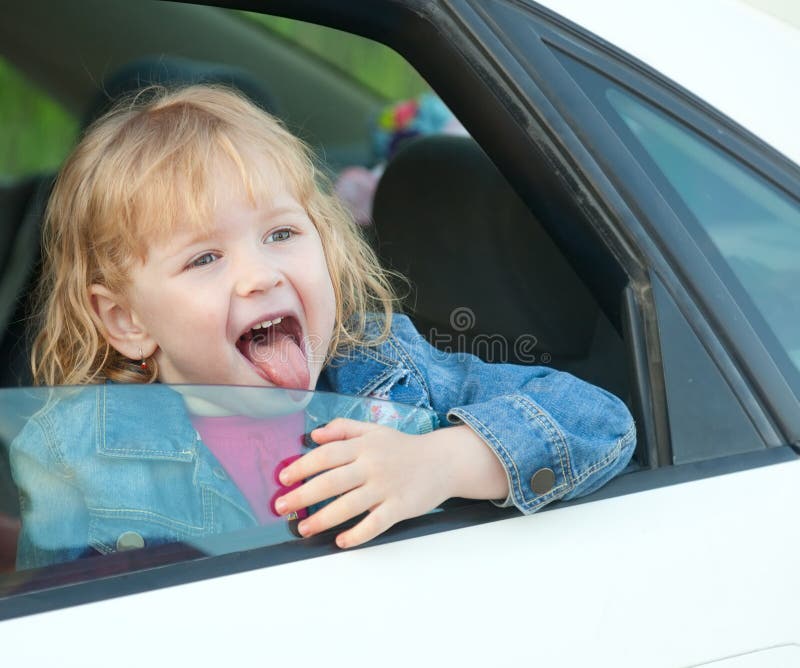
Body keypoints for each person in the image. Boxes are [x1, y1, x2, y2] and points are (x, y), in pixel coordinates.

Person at [10, 85, 636, 569]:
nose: (259, 275)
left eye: (281, 233)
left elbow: (599, 422)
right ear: (127, 321)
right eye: (204, 258)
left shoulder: (386, 370)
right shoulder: (76, 453)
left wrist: (440, 461)